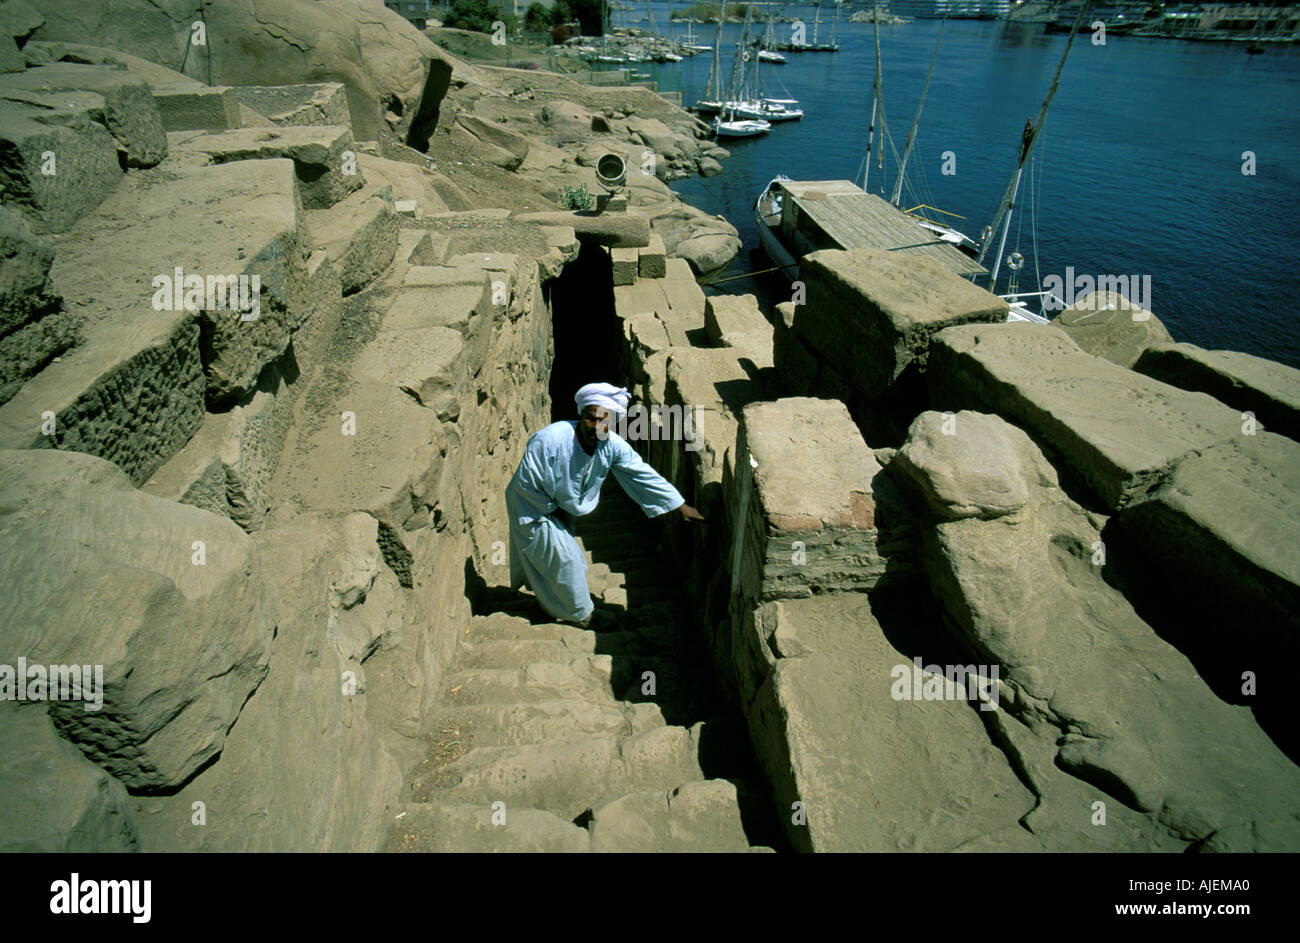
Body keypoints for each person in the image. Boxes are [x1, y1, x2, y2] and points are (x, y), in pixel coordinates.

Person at [505, 382, 705, 629]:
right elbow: (527, 481)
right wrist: (553, 509)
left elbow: (640, 473)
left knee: (566, 558)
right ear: (581, 415)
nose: (597, 427)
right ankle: (583, 615)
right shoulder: (550, 439)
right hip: (531, 505)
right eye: (591, 419)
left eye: (604, 421)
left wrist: (678, 505)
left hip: (559, 506)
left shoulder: (611, 445)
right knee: (565, 559)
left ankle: (552, 602)